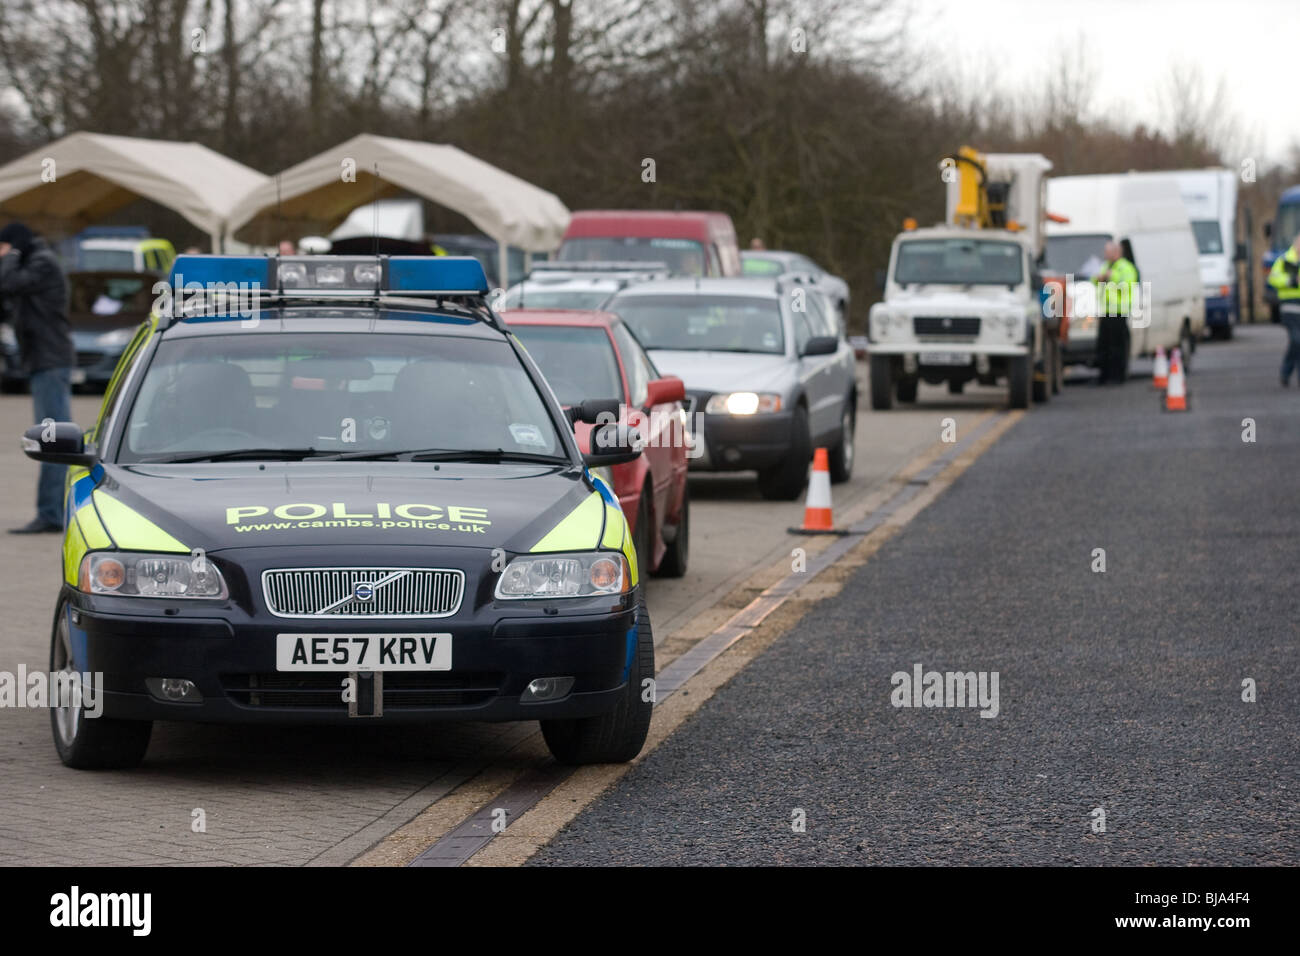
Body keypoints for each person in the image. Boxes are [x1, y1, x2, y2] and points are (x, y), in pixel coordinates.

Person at [0, 222, 74, 533]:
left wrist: (11, 254)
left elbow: (7, 283)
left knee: (53, 439)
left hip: (50, 360)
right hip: (43, 360)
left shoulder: (41, 263)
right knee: (50, 437)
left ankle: (52, 514)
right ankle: (51, 512)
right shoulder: (37, 261)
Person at [1092, 240, 1137, 384]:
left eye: (1108, 252)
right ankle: (1104, 376)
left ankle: (1118, 376)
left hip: (1118, 313)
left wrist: (1112, 276)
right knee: (1103, 346)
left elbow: (1128, 284)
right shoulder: (1105, 266)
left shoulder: (1126, 267)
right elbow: (1094, 279)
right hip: (1105, 312)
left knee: (1118, 347)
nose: (1105, 255)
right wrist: (1099, 278)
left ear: (1116, 252)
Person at [1267, 232, 1300, 387]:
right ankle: (1286, 371)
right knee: (1296, 339)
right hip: (1289, 306)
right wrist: (1291, 280)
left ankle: (1288, 374)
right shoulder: (1285, 261)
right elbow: (1273, 278)